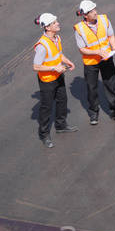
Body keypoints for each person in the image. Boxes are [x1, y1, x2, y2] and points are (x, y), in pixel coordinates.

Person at [74, 0, 115, 125]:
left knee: (110, 86)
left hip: (106, 59)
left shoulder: (104, 19)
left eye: (95, 9)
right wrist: (97, 52)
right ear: (85, 15)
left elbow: (110, 36)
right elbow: (82, 49)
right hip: (91, 62)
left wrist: (114, 46)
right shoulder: (79, 29)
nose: (95, 12)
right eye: (92, 11)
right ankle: (94, 112)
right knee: (92, 88)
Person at [32, 13, 77, 148]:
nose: (58, 23)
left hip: (58, 76)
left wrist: (68, 62)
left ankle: (61, 125)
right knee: (47, 107)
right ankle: (44, 134)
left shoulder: (57, 38)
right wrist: (54, 68)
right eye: (55, 23)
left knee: (62, 101)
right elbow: (35, 66)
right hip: (47, 81)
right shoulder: (42, 45)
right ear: (48, 27)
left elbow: (58, 54)